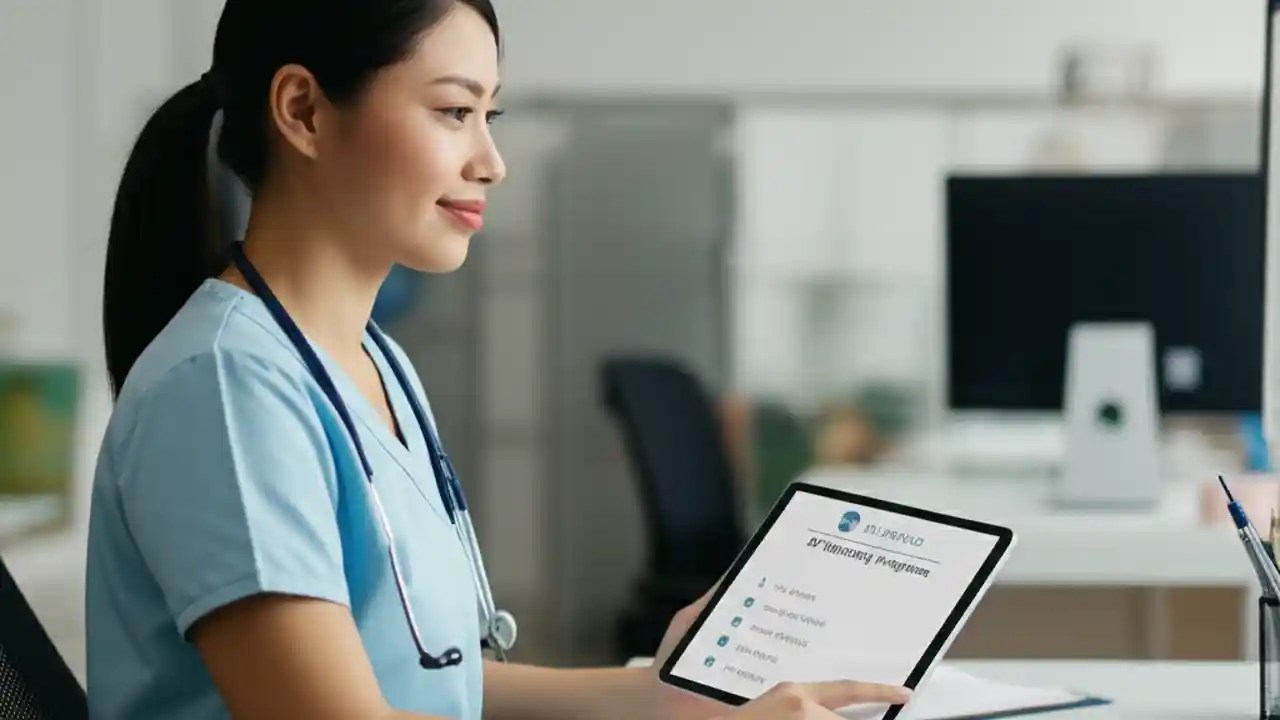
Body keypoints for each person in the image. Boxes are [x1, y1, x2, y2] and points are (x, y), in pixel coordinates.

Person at [85, 2, 913, 718]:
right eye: (453, 112)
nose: (491, 162)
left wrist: (664, 697)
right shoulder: (226, 387)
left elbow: (430, 681)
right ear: (302, 111)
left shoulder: (375, 363)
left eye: (492, 118)